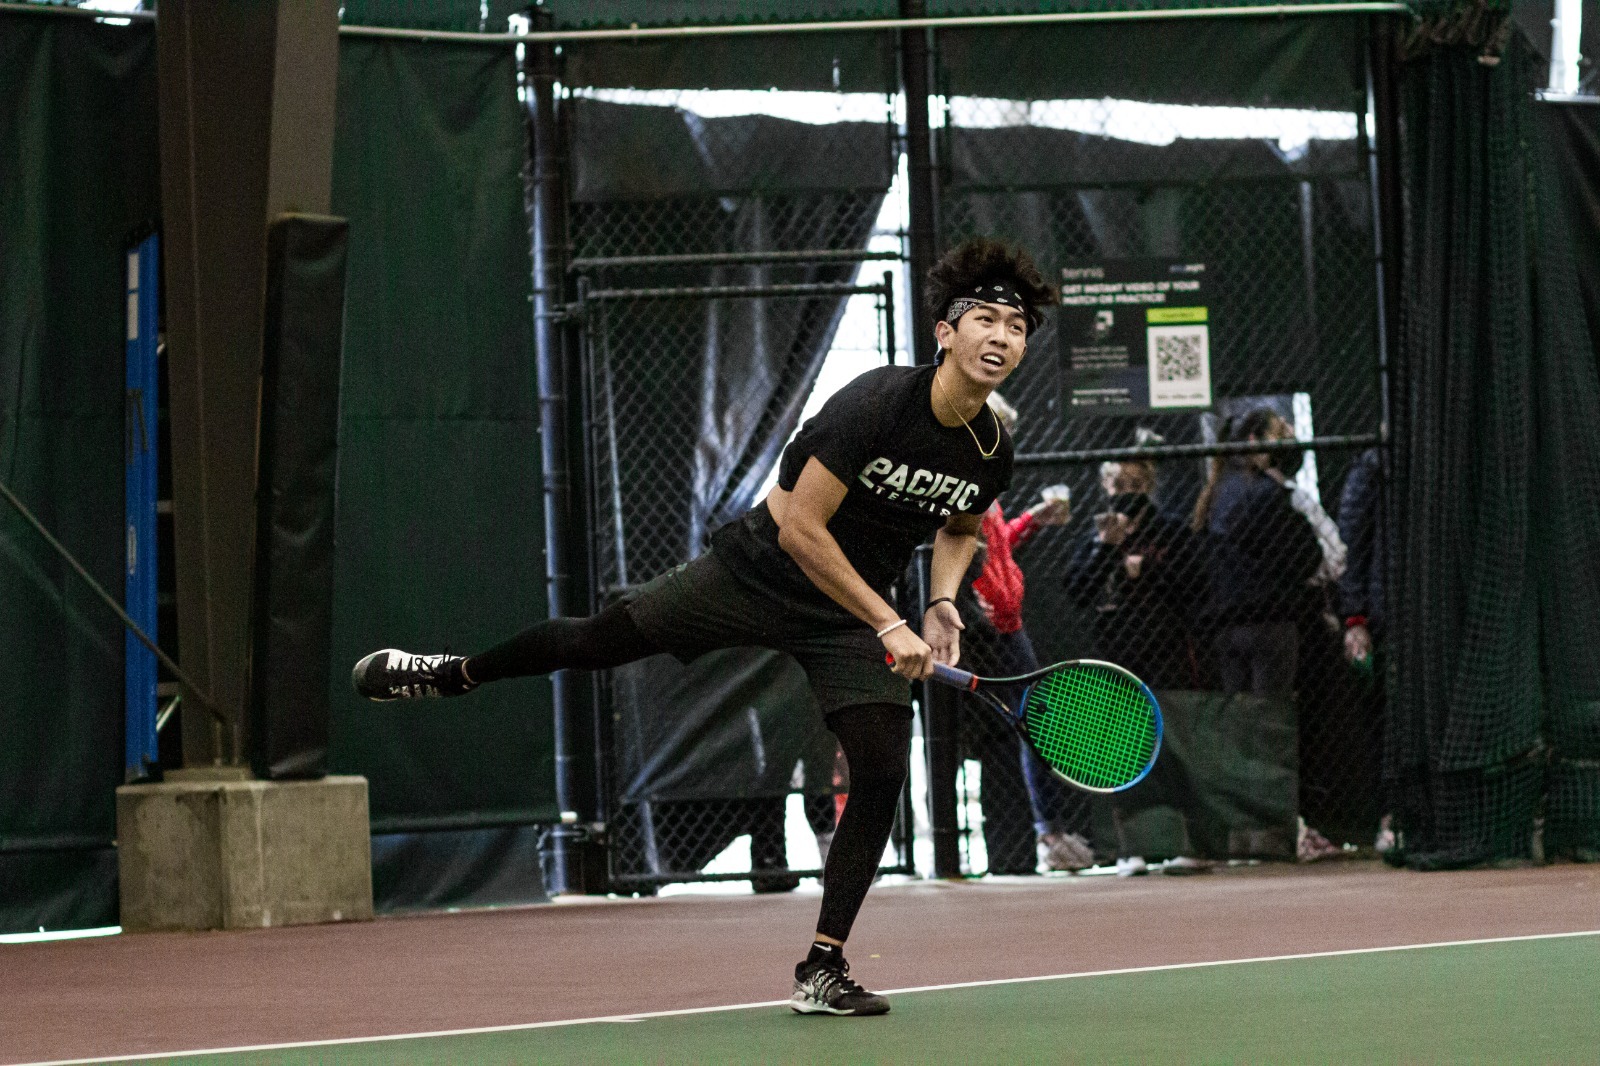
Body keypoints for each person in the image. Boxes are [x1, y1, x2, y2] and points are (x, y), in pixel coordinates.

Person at [350, 237, 1055, 1018]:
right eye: (983, 319)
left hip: (849, 615)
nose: (999, 336)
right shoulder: (876, 403)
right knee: (599, 640)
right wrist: (891, 620)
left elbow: (960, 528)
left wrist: (942, 602)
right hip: (760, 570)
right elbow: (802, 531)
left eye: (1016, 327)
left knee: (883, 767)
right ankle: (453, 672)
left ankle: (822, 966)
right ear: (944, 333)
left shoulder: (991, 448)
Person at [959, 393, 1091, 875]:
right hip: (990, 633)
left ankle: (1048, 834)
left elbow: (993, 548)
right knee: (1027, 725)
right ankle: (1049, 834)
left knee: (1034, 721)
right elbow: (956, 552)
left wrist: (1031, 520)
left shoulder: (987, 482)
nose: (1005, 441)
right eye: (1000, 430)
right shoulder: (962, 479)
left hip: (1010, 627)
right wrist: (976, 605)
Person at [1064, 443, 1209, 876]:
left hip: (1164, 654)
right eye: (1117, 484)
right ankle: (1131, 850)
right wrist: (1107, 549)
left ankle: (1194, 844)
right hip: (1115, 657)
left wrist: (1145, 572)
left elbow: (1194, 583)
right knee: (1122, 754)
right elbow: (1077, 588)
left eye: (1134, 484)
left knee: (1173, 751)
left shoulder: (1168, 530)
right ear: (1105, 485)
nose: (1125, 491)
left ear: (1148, 485)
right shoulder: (1098, 531)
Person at [1191, 409, 1324, 701]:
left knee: (1239, 719)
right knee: (1270, 716)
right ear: (1255, 440)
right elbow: (1307, 555)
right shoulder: (1265, 492)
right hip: (1269, 619)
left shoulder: (1216, 494)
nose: (1286, 440)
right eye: (1278, 433)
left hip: (1225, 624)